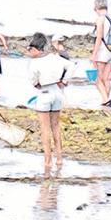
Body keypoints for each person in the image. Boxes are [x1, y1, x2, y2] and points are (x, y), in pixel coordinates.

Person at [25, 32, 72, 171]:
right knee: (55, 126)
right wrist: (63, 80)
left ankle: (47, 160)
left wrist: (37, 85)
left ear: (34, 49)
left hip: (44, 93)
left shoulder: (34, 62)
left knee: (45, 129)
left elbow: (34, 80)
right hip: (56, 92)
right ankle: (59, 158)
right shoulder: (54, 57)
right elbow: (70, 66)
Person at [91, 0, 111, 109]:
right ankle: (106, 102)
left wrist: (94, 54)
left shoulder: (100, 20)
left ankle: (105, 99)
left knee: (97, 78)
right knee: (106, 79)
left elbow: (99, 38)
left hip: (103, 51)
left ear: (97, 8)